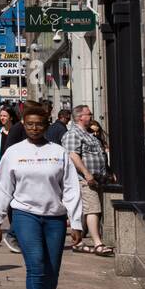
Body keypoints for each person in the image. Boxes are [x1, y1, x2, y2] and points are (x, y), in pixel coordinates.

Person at [0, 103, 83, 289]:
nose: (34, 128)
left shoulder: (58, 151)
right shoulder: (14, 152)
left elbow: (71, 187)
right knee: (36, 264)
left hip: (55, 216)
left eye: (39, 124)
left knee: (52, 269)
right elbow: (3, 186)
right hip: (24, 214)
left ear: (46, 125)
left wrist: (76, 221)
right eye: (29, 124)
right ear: (23, 124)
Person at [62, 105, 114, 256]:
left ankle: (78, 241)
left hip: (97, 179)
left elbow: (100, 155)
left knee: (89, 210)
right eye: (88, 114)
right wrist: (87, 173)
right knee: (93, 209)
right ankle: (98, 243)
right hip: (83, 179)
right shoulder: (73, 134)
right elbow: (73, 155)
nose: (91, 116)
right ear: (80, 117)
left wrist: (108, 171)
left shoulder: (89, 134)